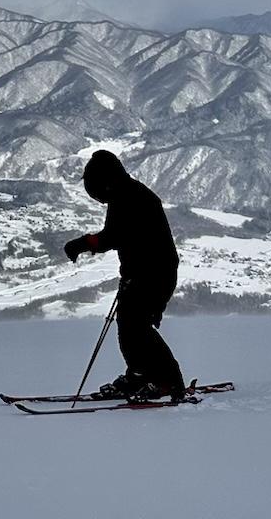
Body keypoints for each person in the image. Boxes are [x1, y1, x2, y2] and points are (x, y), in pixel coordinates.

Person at [62, 149, 185, 402]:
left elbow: (113, 236)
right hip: (144, 274)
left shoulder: (130, 198)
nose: (98, 198)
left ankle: (168, 382)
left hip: (154, 275)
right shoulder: (125, 193)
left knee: (138, 327)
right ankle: (140, 375)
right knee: (129, 326)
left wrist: (81, 244)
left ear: (104, 183)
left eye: (95, 191)